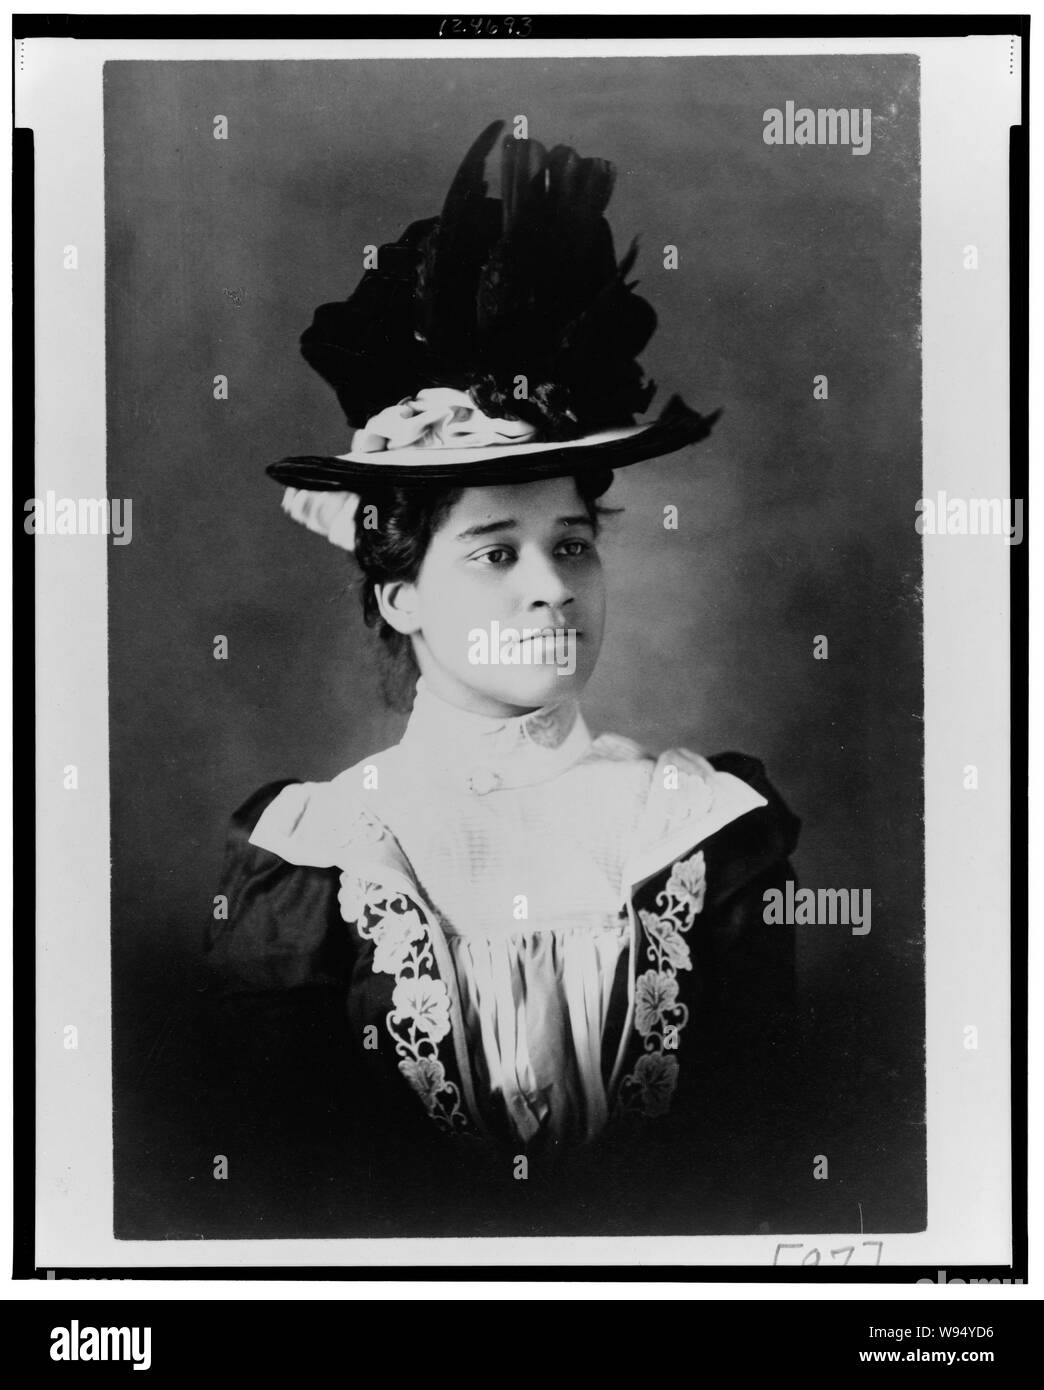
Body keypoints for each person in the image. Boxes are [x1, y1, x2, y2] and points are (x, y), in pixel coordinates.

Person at [146, 121, 801, 1238]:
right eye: (496, 552)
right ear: (400, 596)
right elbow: (282, 1204)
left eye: (575, 543)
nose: (551, 588)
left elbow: (762, 1179)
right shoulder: (312, 855)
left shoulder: (706, 831)